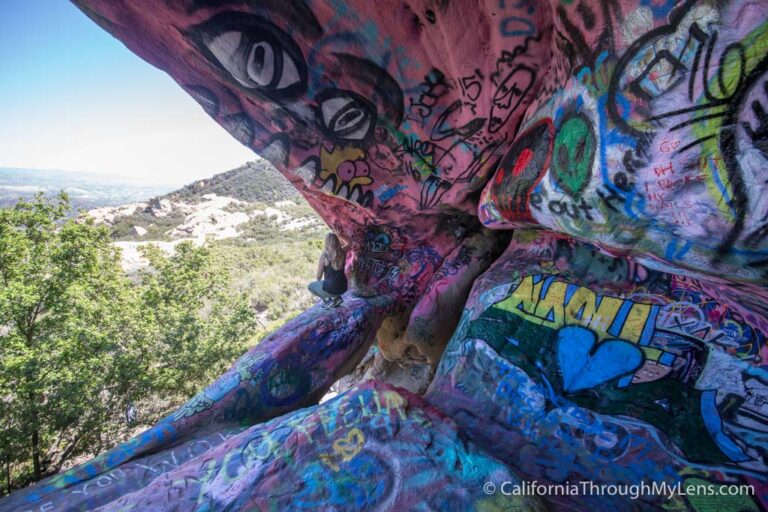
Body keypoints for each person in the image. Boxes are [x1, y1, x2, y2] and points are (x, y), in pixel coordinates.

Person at [308, 232, 348, 308]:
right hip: (344, 287)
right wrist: (340, 235)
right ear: (337, 241)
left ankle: (328, 300)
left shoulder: (324, 256)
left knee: (311, 286)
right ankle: (336, 298)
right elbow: (350, 243)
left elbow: (318, 277)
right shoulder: (342, 251)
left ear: (326, 243)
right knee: (330, 284)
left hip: (332, 289)